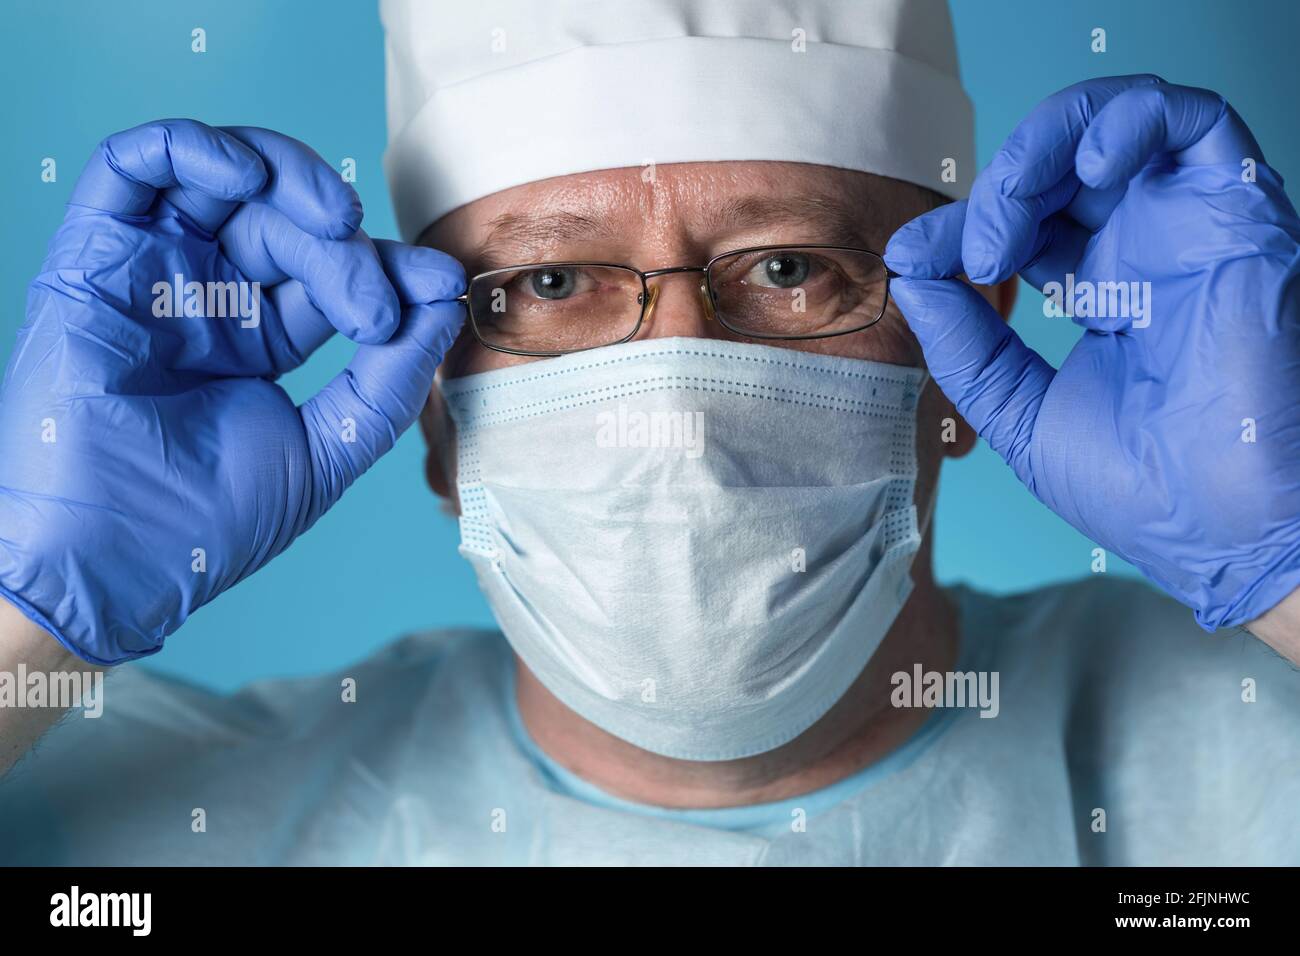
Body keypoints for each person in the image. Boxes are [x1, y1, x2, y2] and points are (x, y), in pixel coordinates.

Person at [1, 0, 1298, 865]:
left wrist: (1289, 568)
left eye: (787, 268)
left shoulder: (1246, 745)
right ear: (431, 407)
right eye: (549, 286)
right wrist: (33, 620)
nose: (679, 391)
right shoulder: (151, 825)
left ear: (958, 355)